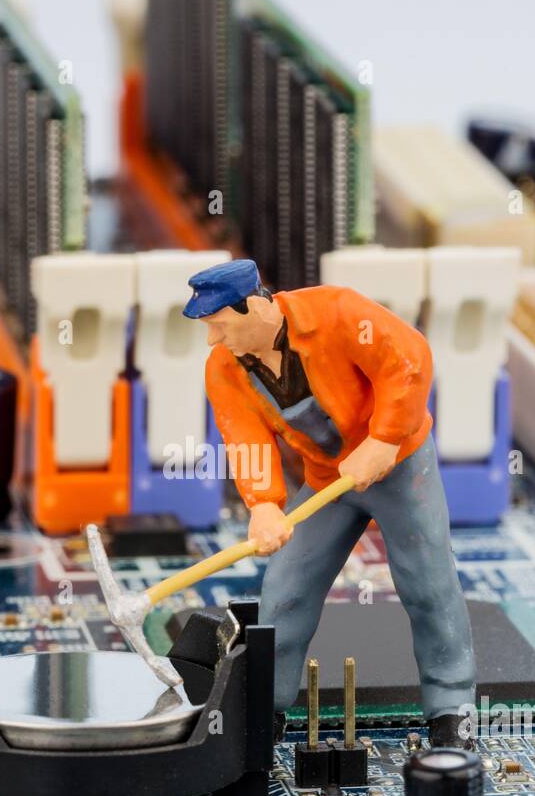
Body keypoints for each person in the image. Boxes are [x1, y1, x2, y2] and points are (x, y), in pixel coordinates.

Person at [183, 257, 476, 747]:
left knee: (428, 585)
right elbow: (245, 438)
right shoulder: (224, 369)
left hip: (401, 466)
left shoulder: (339, 313)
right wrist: (263, 504)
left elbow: (408, 360)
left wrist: (383, 441)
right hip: (328, 482)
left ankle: (452, 710)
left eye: (219, 325)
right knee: (286, 588)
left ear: (254, 307)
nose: (213, 339)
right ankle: (266, 710)